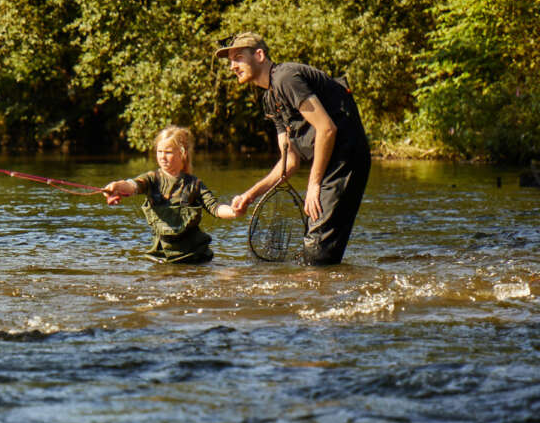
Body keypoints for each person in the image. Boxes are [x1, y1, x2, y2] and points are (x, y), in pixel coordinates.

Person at [215, 32, 371, 265]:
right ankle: (324, 292)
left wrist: (314, 183)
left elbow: (327, 129)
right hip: (329, 165)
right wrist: (250, 195)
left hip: (346, 160)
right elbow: (289, 162)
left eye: (238, 58)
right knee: (315, 247)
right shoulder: (270, 99)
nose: (232, 66)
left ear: (259, 55)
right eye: (230, 61)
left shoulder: (286, 78)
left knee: (317, 251)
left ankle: (319, 296)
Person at [102, 125, 238, 263]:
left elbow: (215, 208)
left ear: (182, 153)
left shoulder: (194, 184)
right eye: (159, 151)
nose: (162, 157)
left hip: (195, 257)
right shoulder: (151, 179)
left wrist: (234, 211)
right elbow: (133, 185)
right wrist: (117, 186)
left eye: (168, 152)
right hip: (161, 258)